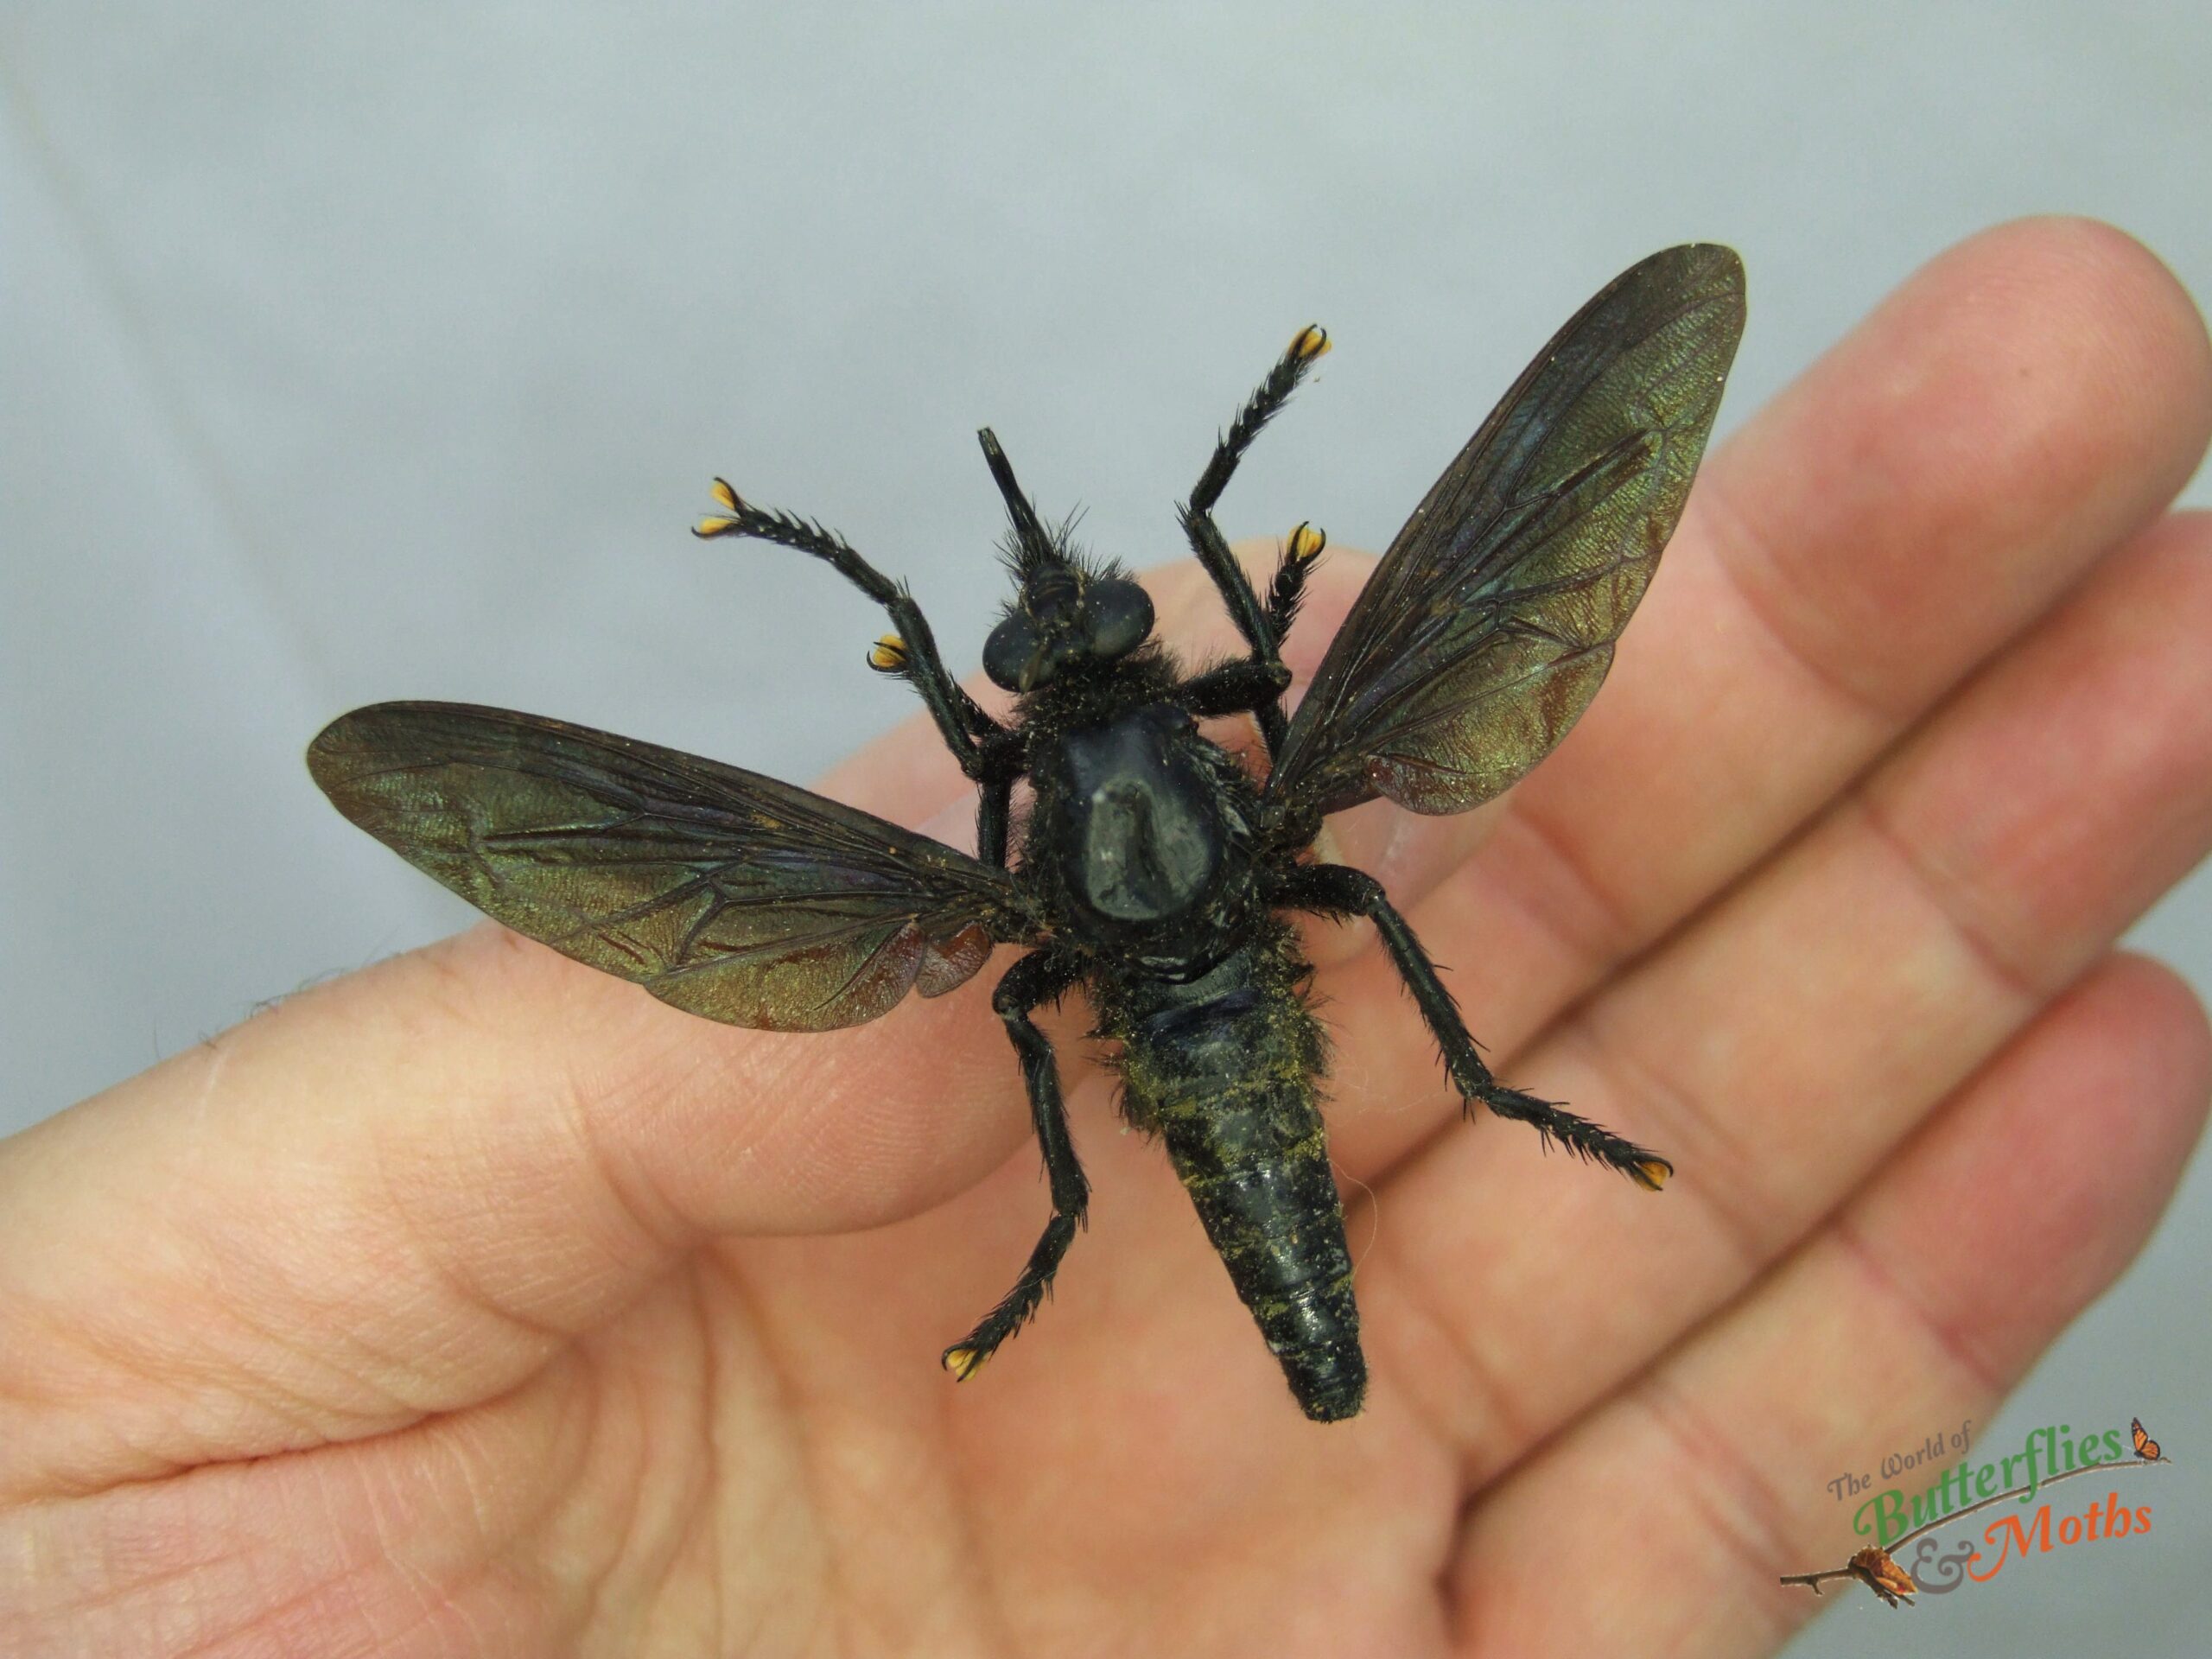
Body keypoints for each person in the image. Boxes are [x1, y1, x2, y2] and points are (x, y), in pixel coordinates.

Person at [3, 217, 2209, 1656]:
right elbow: (1249, 688)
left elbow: (1003, 790)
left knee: (1057, 1020)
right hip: (1242, 933)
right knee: (1312, 891)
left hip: (1138, 980)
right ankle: (1459, 1107)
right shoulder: (1251, 747)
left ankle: (1161, 1206)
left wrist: (865, 611)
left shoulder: (1010, 836)